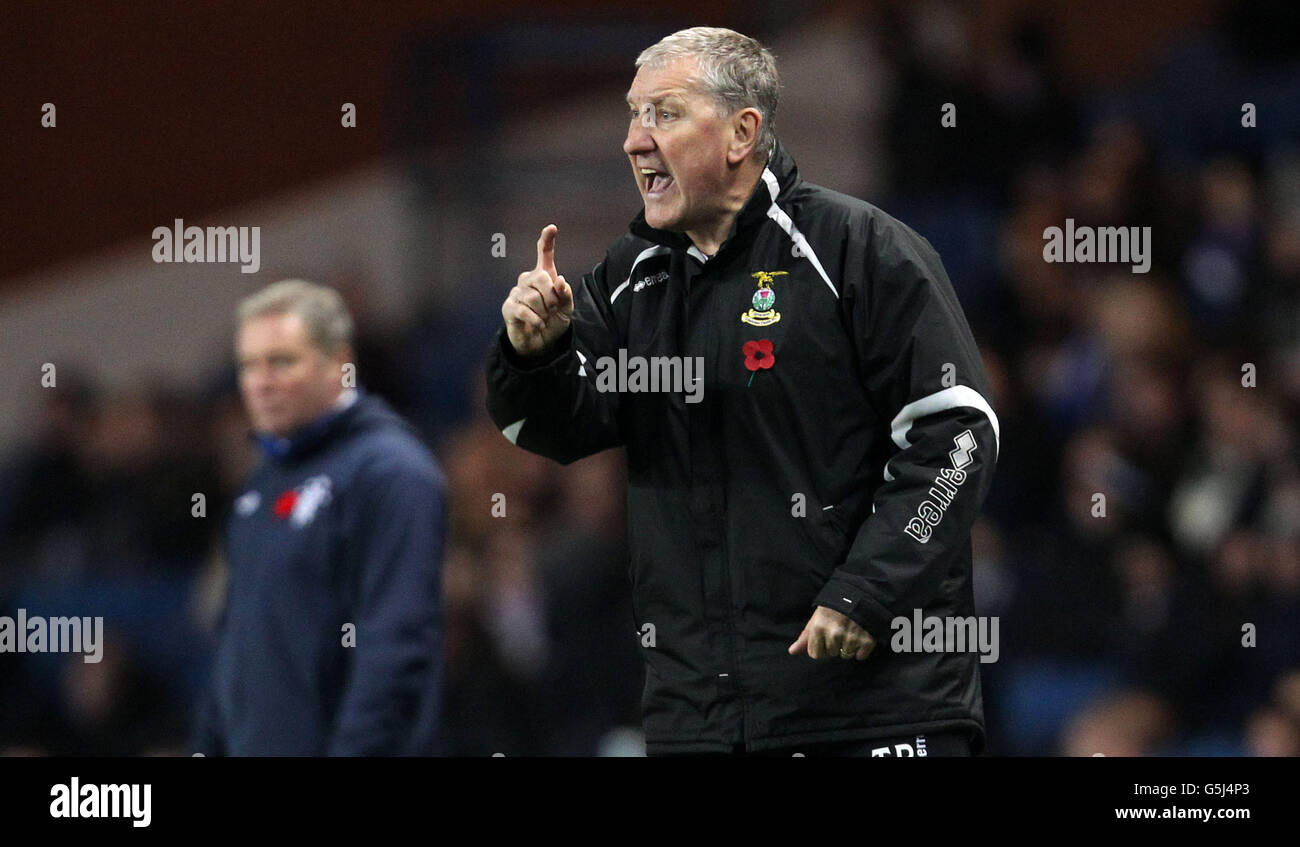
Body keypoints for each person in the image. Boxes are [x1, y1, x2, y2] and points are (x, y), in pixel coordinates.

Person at [485, 26, 1001, 757]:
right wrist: (532, 355)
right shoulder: (631, 280)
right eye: (633, 116)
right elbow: (547, 430)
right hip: (698, 725)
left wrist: (867, 591)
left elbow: (958, 435)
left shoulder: (858, 251)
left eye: (663, 113)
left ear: (741, 131)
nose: (635, 140)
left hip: (871, 714)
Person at [194, 280, 446, 755]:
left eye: (281, 361)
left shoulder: (392, 473)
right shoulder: (261, 485)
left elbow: (395, 647)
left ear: (339, 365)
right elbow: (234, 644)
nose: (260, 383)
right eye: (248, 366)